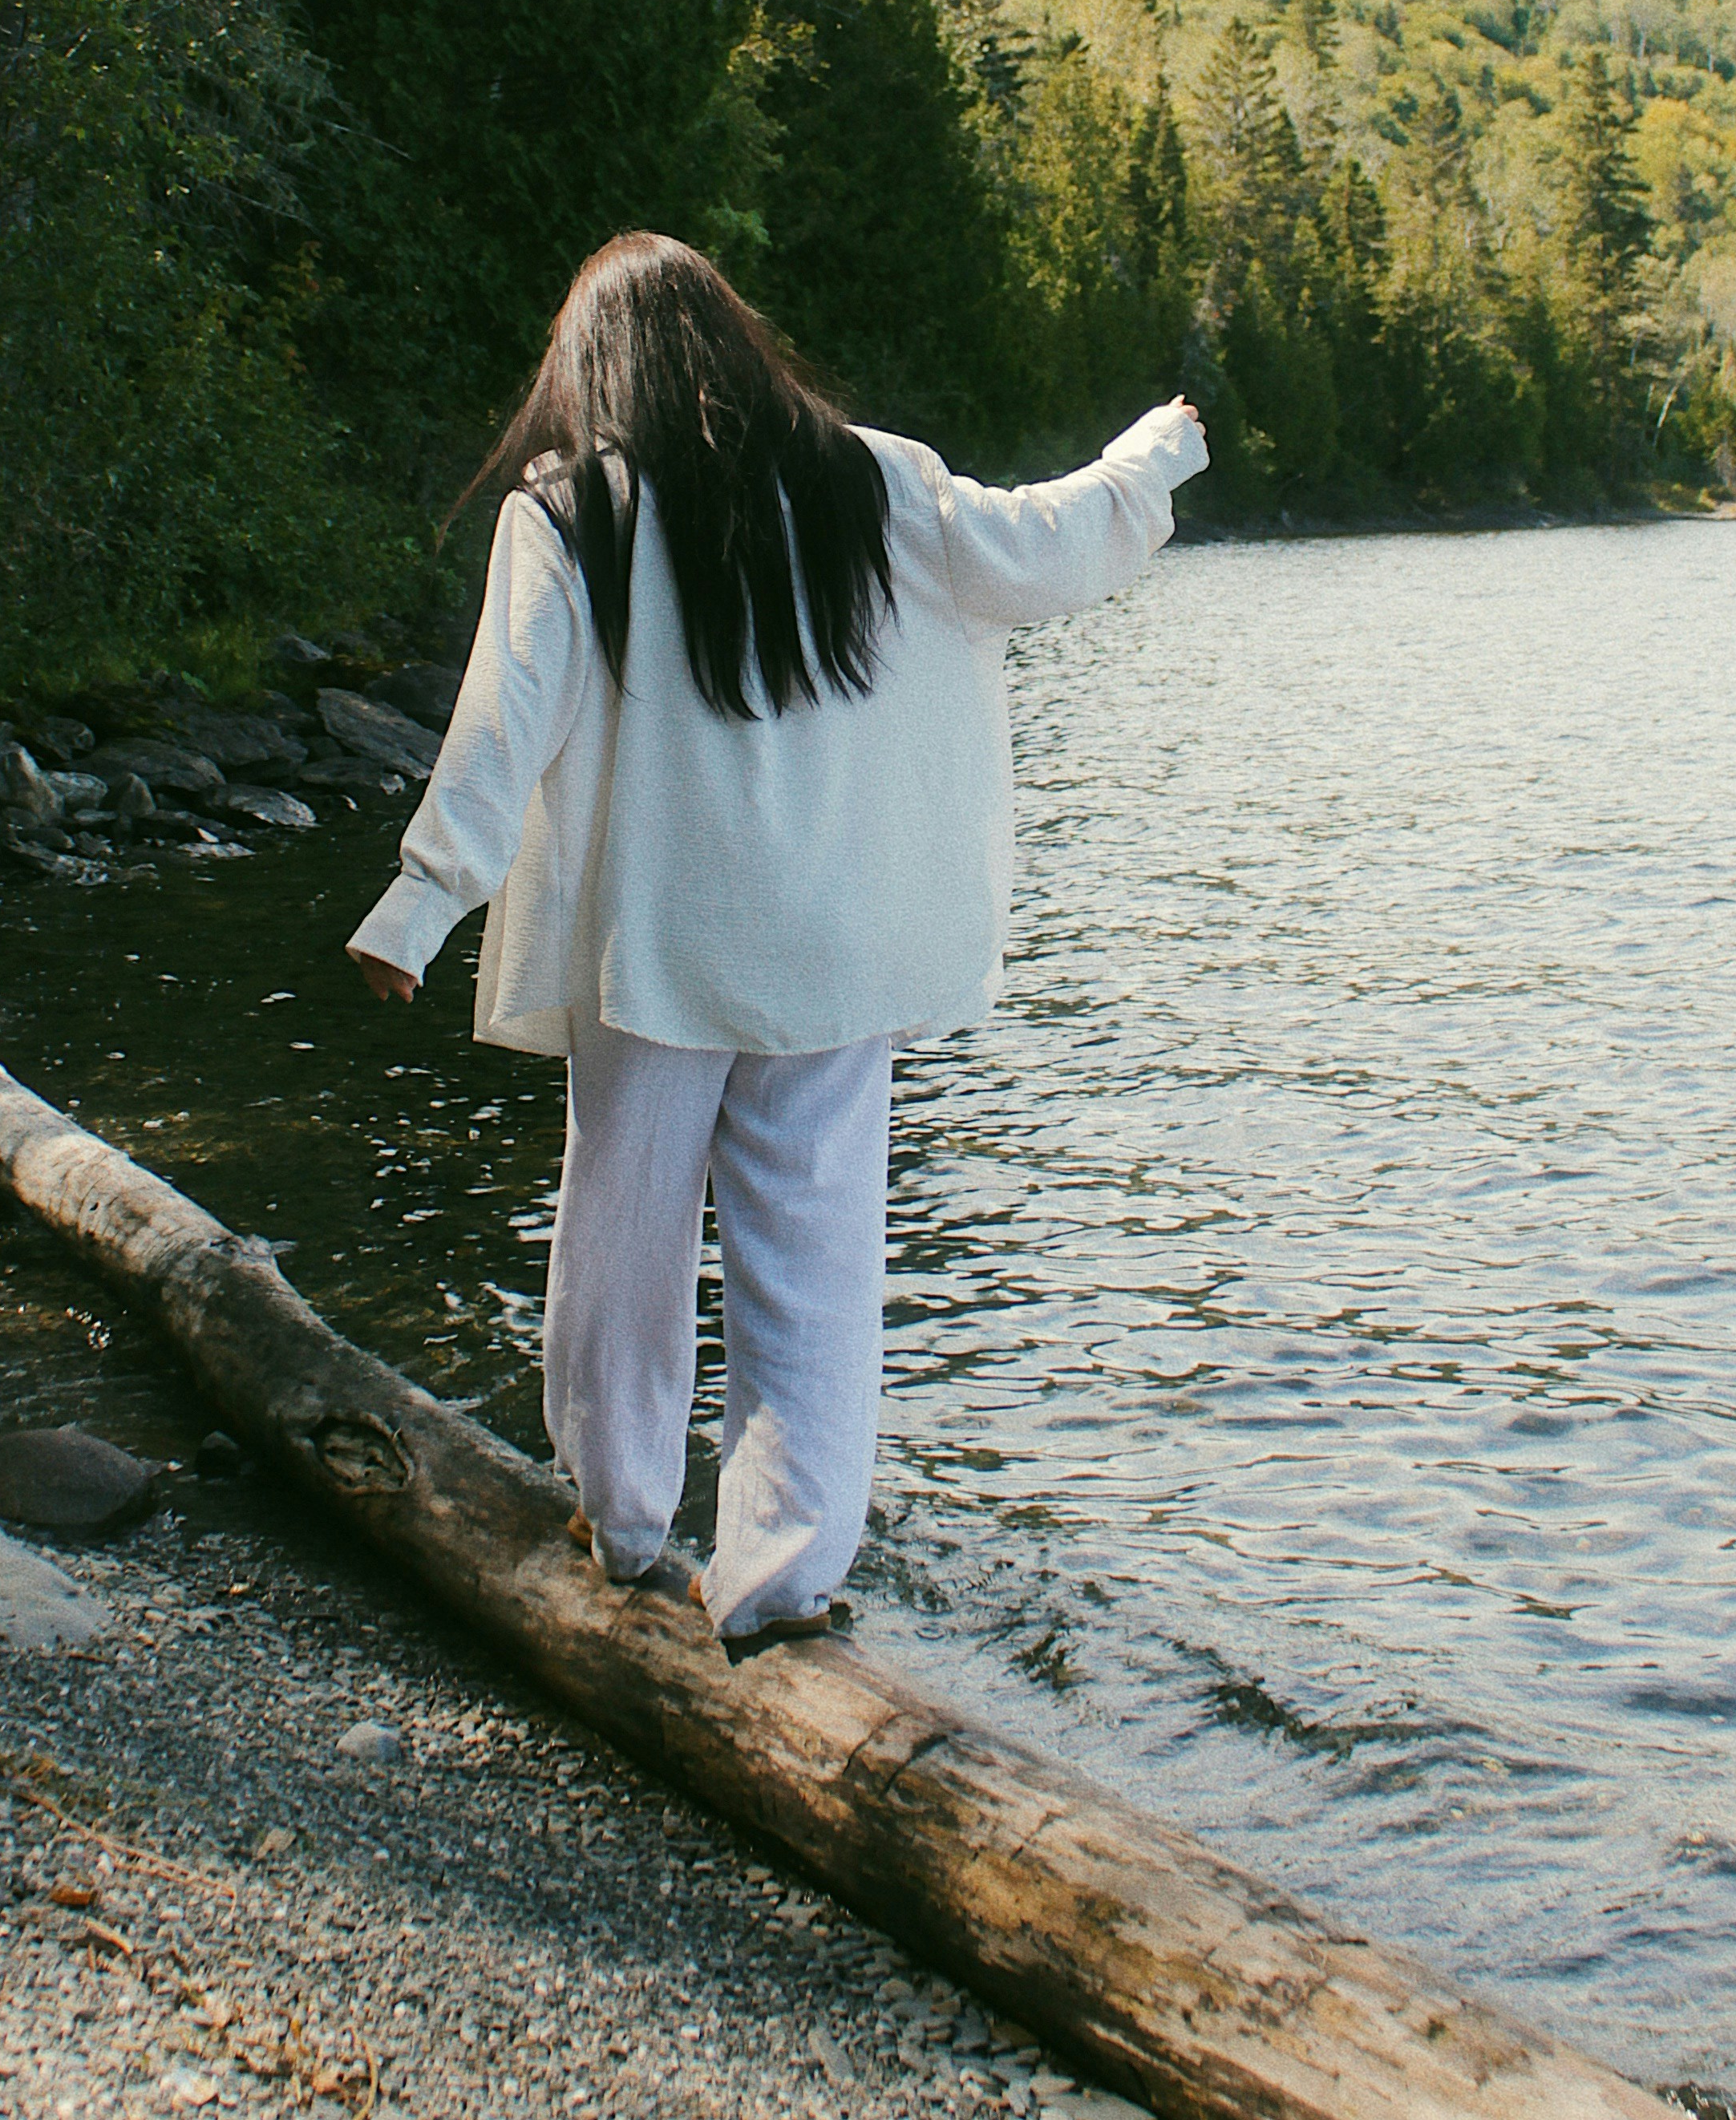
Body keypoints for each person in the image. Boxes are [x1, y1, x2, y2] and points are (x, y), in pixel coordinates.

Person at [346, 233, 1206, 1645]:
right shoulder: (872, 476)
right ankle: (781, 1583)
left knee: (621, 1235)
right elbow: (1046, 547)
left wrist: (418, 908)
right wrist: (1152, 458)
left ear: (594, 370)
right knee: (812, 1263)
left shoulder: (572, 512)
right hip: (832, 951)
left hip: (659, 951)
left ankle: (622, 1528)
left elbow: (501, 728)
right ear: (736, 340)